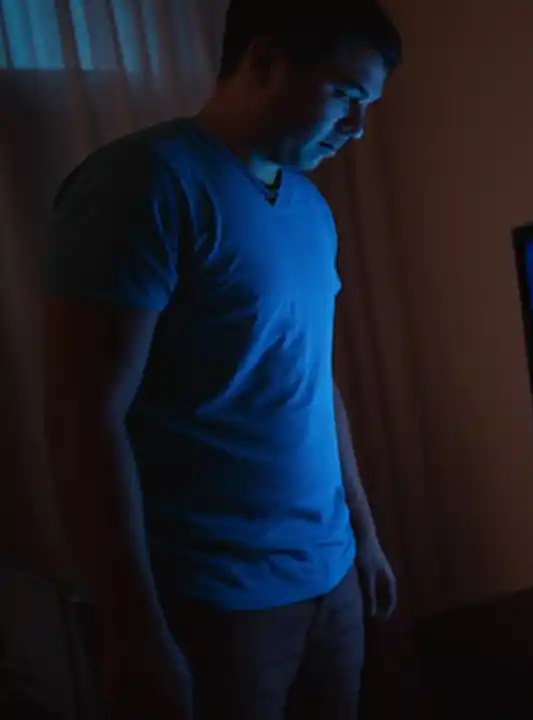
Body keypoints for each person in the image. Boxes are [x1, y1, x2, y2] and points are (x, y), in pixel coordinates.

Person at [42, 2, 402, 718]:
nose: (357, 128)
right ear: (265, 63)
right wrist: (133, 629)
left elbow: (311, 379)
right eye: (343, 96)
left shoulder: (310, 207)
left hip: (328, 582)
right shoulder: (141, 185)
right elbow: (84, 419)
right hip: (210, 602)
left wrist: (361, 532)